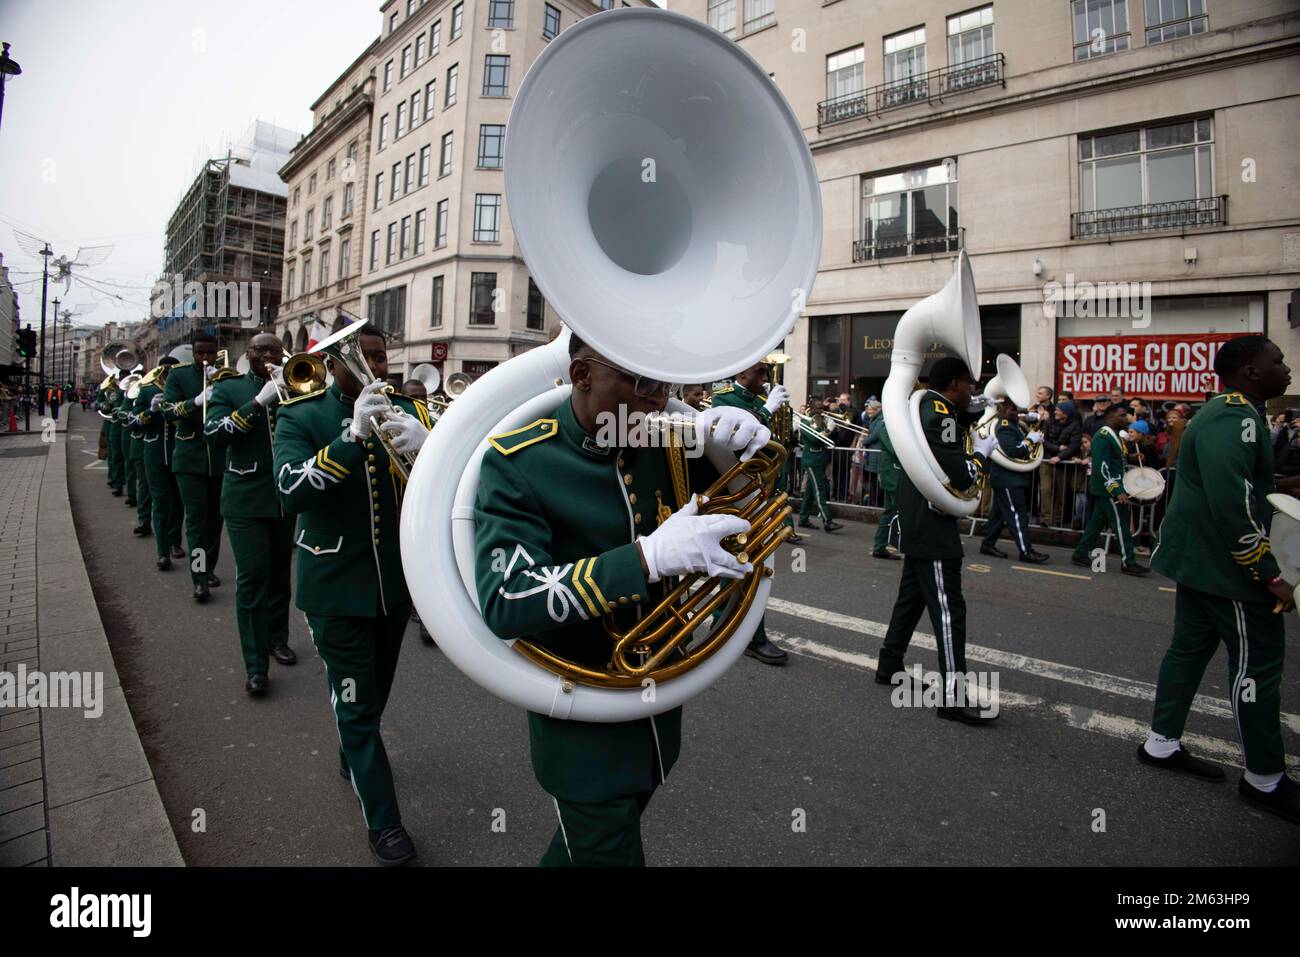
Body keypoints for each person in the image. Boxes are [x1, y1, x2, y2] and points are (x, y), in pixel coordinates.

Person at [473, 332, 766, 865]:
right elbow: (507, 600)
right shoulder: (519, 461)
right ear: (583, 375)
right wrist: (646, 559)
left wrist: (748, 447)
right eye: (645, 382)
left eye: (667, 382)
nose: (661, 399)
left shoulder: (666, 441)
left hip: (657, 703)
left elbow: (754, 503)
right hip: (580, 712)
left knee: (582, 848)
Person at [274, 327, 433, 865]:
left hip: (392, 588)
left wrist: (429, 445)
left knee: (375, 694)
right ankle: (385, 825)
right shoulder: (301, 415)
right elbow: (291, 491)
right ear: (331, 363)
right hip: (334, 589)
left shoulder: (406, 410)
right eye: (361, 358)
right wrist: (351, 438)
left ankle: (350, 748)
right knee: (361, 709)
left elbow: (444, 486)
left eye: (381, 356)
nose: (374, 366)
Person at [1142, 336, 1300, 824]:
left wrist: (1287, 485)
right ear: (1251, 371)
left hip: (1203, 563)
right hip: (1228, 569)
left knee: (1187, 652)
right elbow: (1231, 499)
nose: (1287, 367)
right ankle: (1264, 778)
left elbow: (1247, 484)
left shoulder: (1230, 412)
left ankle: (1161, 742)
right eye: (1278, 361)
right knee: (1257, 665)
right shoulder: (1237, 415)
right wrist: (1269, 573)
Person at [875, 357, 998, 724]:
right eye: (970, 384)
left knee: (912, 599)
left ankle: (890, 663)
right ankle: (953, 696)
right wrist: (980, 455)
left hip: (918, 516)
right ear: (955, 383)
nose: (973, 390)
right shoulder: (939, 410)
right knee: (948, 610)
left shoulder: (930, 405)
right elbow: (959, 474)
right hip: (932, 520)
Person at [206, 334, 297, 694]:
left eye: (274, 350)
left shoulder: (296, 384)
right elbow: (213, 433)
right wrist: (258, 403)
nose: (268, 355)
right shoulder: (230, 389)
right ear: (249, 354)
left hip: (282, 499)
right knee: (253, 579)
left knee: (279, 577)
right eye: (260, 349)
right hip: (244, 499)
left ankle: (277, 637)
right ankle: (256, 664)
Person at [709, 361, 794, 663]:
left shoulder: (759, 400)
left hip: (762, 491)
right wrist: (768, 411)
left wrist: (788, 419)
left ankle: (724, 625)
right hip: (736, 492)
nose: (766, 377)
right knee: (748, 562)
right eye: (760, 372)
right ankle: (751, 637)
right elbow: (735, 438)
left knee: (743, 561)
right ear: (743, 373)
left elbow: (777, 444)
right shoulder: (724, 397)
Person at [163, 333, 226, 602]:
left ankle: (209, 568)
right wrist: (196, 402)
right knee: (197, 522)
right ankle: (199, 577)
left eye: (210, 353)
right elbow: (167, 411)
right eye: (200, 353)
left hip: (218, 459)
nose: (204, 359)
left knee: (215, 521)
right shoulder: (178, 376)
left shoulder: (225, 376)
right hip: (189, 458)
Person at [1070, 403, 1150, 575]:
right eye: (1121, 415)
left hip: (1108, 487)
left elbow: (1115, 456)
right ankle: (1128, 562)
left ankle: (1080, 552)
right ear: (1111, 416)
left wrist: (1131, 456)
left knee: (1096, 522)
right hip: (1108, 489)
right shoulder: (1103, 436)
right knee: (1121, 524)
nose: (1126, 418)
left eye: (1126, 415)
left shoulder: (1114, 435)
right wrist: (1116, 490)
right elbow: (1102, 467)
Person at [979, 398, 1049, 563]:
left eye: (1017, 410)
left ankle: (988, 544)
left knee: (999, 514)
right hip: (1008, 478)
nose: (1016, 413)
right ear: (1003, 410)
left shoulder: (1012, 426)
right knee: (1018, 515)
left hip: (1008, 478)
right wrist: (1030, 440)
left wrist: (1035, 439)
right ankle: (1026, 551)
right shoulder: (1004, 427)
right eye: (1012, 410)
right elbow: (1012, 451)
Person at [134, 362, 184, 569]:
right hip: (154, 454)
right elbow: (134, 421)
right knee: (160, 502)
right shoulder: (147, 390)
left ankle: (175, 542)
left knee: (178, 502)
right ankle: (162, 551)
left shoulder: (182, 389)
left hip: (179, 452)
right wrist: (150, 410)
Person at [796, 396, 841, 533]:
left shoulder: (822, 420)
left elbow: (833, 438)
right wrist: (828, 430)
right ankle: (828, 521)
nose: (821, 411)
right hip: (812, 460)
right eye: (818, 408)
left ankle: (803, 519)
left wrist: (834, 427)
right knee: (819, 490)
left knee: (810, 492)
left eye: (822, 408)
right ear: (812, 408)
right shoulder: (805, 421)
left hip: (821, 459)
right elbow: (815, 439)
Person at [1039, 400, 1081, 526]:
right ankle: (1046, 518)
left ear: (1065, 414)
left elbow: (1073, 446)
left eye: (1058, 410)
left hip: (1063, 464)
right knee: (1045, 489)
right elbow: (1042, 440)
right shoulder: (1049, 422)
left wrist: (1060, 457)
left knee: (1061, 493)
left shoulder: (1075, 426)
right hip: (1046, 461)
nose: (1055, 412)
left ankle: (1057, 520)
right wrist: (1058, 449)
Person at [870, 416, 901, 560]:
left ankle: (880, 546)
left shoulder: (892, 426)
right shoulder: (885, 428)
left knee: (890, 512)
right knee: (896, 511)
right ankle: (881, 545)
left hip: (895, 475)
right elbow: (896, 450)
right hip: (892, 476)